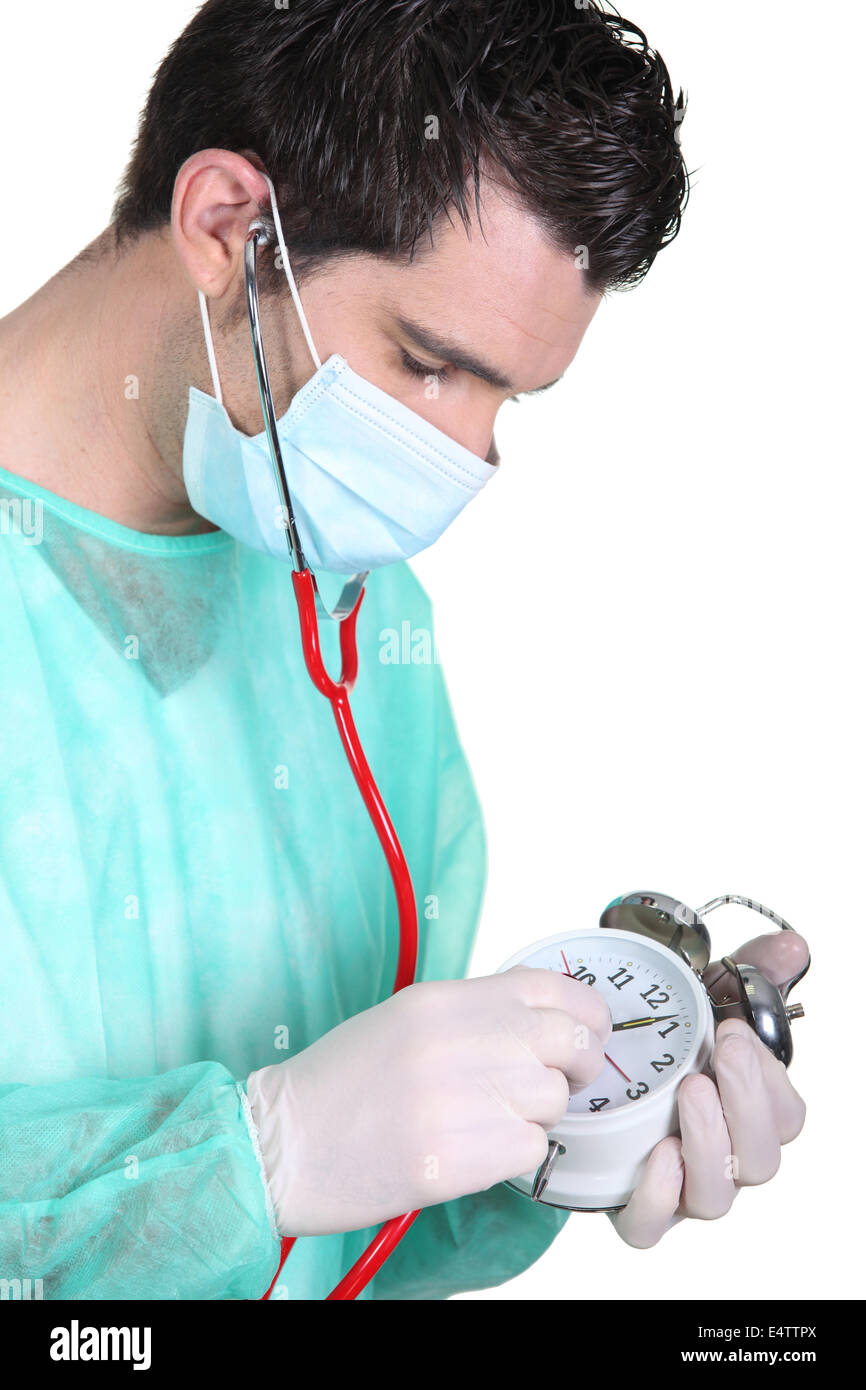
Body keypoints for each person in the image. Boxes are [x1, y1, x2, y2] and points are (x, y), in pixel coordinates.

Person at [0, 0, 807, 1300]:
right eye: (429, 363)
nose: (465, 456)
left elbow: (347, 1231)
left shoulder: (354, 607)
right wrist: (251, 1159)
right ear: (225, 224)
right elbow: (279, 1169)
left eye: (505, 401)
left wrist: (552, 1118)